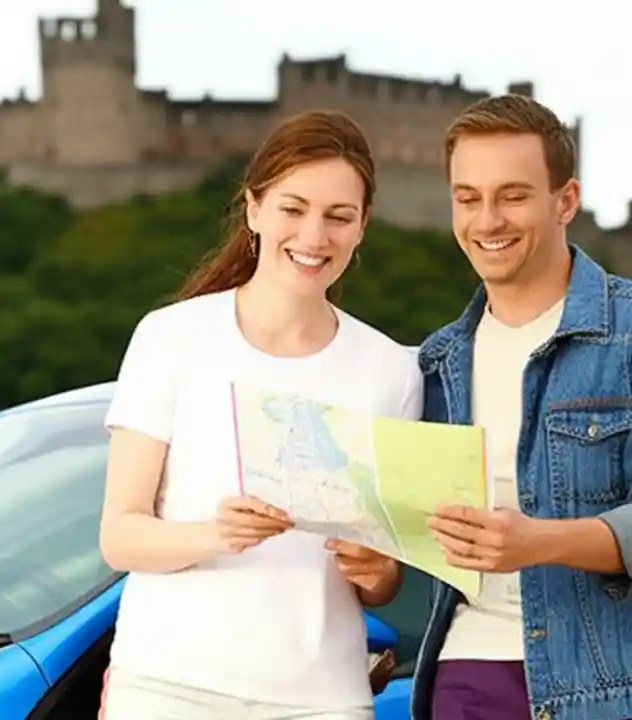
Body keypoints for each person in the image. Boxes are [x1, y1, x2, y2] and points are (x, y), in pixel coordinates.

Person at [98, 109, 423, 720]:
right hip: (170, 687)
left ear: (361, 228)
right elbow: (119, 534)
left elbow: (383, 578)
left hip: (323, 698)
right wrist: (216, 534)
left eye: (338, 216)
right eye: (293, 209)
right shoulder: (171, 338)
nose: (314, 235)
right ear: (253, 210)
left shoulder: (391, 371)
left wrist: (378, 571)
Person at [409, 93, 632, 720]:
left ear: (566, 201)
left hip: (617, 691)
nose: (487, 219)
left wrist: (537, 542)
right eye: (468, 198)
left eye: (513, 196)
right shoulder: (438, 361)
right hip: (466, 677)